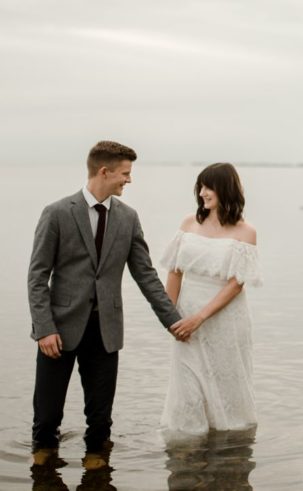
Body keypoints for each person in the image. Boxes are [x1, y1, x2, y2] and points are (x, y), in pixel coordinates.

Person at [27, 140, 184, 457]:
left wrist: (174, 320)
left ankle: (98, 475)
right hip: (58, 332)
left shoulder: (128, 218)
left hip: (105, 332)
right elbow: (37, 276)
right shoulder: (57, 213)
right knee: (46, 422)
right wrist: (44, 328)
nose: (129, 179)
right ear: (104, 171)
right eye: (125, 173)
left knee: (100, 425)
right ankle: (43, 475)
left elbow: (146, 275)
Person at [159, 162, 262, 440]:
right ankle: (186, 448)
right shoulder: (189, 223)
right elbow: (175, 271)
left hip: (225, 319)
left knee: (226, 380)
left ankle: (228, 446)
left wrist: (200, 317)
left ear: (225, 189)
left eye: (209, 187)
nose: (203, 192)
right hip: (185, 315)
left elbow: (236, 284)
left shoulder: (246, 231)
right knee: (188, 385)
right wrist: (170, 317)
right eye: (200, 186)